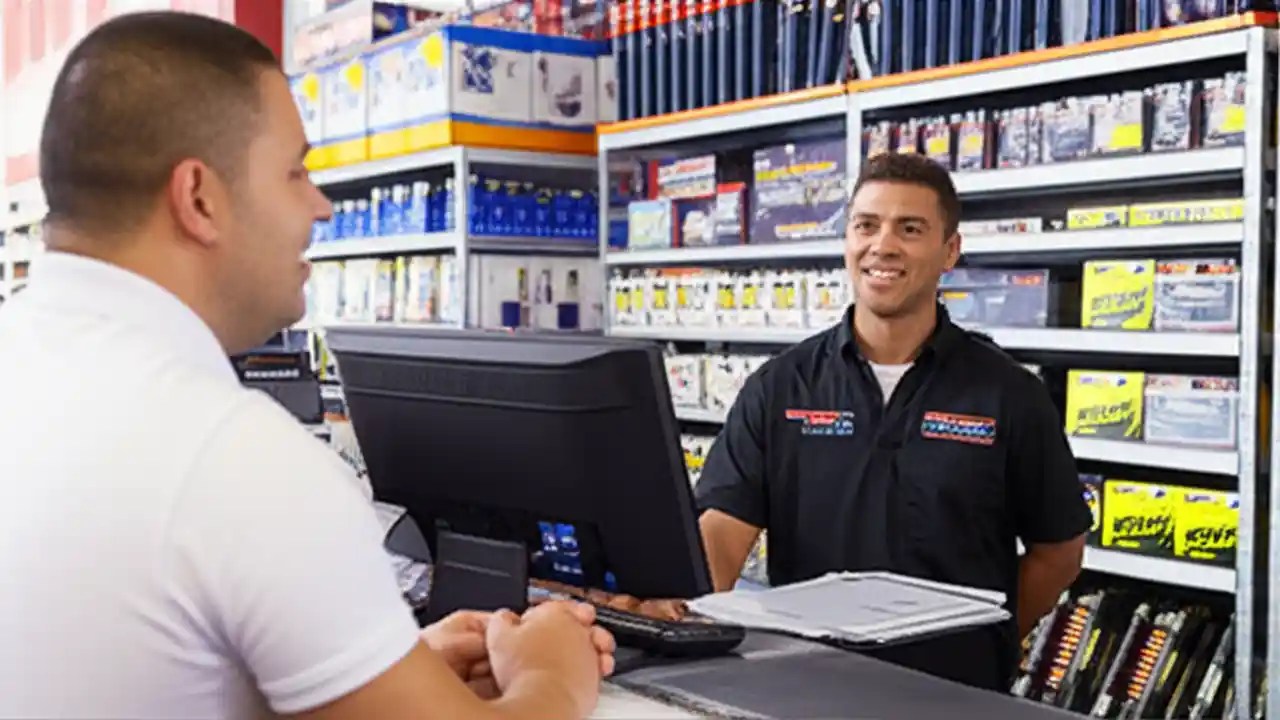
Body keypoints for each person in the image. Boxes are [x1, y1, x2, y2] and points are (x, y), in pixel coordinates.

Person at [0, 12, 613, 720]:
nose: (319, 206)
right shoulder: (236, 458)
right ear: (199, 198)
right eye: (295, 171)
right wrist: (551, 673)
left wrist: (369, 670)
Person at [596, 151, 1092, 691]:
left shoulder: (1009, 393)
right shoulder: (781, 387)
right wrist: (670, 607)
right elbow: (722, 533)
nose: (883, 245)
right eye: (866, 226)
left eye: (910, 229)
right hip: (808, 683)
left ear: (950, 251)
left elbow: (1058, 553)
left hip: (955, 693)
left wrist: (988, 640)